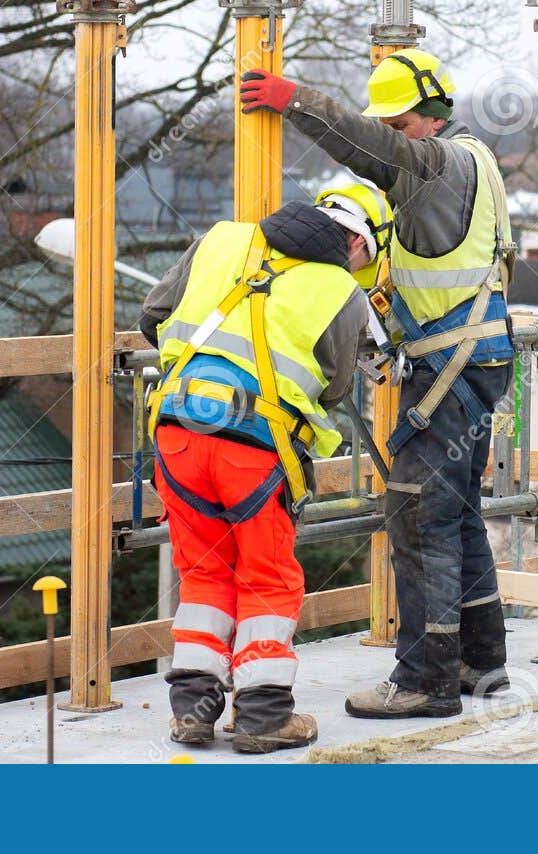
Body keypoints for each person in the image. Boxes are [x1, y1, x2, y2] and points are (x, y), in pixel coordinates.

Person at [240, 49, 515, 720]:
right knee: (455, 516)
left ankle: (427, 679)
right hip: (477, 364)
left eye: (396, 123)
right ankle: (482, 662)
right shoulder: (479, 161)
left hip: (449, 373)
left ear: (425, 119)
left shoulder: (433, 168)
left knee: (420, 518)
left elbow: (371, 152)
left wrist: (295, 101)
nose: (391, 134)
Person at [138, 191, 390, 753]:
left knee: (203, 577)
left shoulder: (220, 240)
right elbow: (338, 385)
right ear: (354, 242)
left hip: (177, 433)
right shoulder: (340, 291)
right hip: (254, 449)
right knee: (266, 577)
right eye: (363, 259)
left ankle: (192, 714)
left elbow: (152, 318)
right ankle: (263, 717)